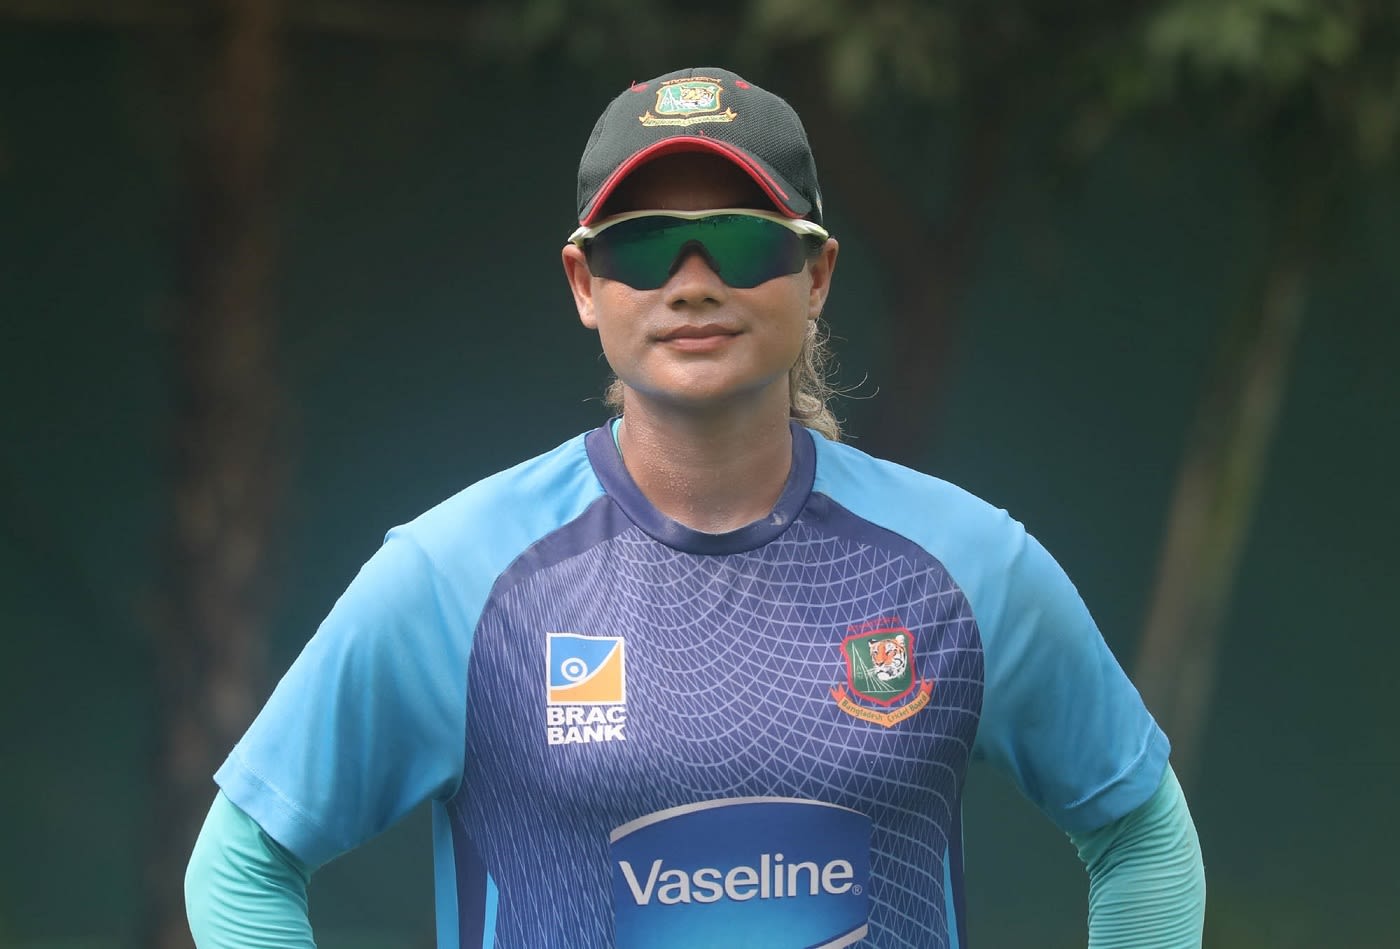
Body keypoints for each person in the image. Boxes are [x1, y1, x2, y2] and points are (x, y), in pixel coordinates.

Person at [185, 66, 1206, 948]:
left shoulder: (964, 566)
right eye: (641, 247)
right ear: (585, 284)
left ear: (816, 274)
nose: (690, 281)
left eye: (738, 240)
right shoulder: (456, 575)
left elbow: (1138, 832)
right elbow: (241, 864)